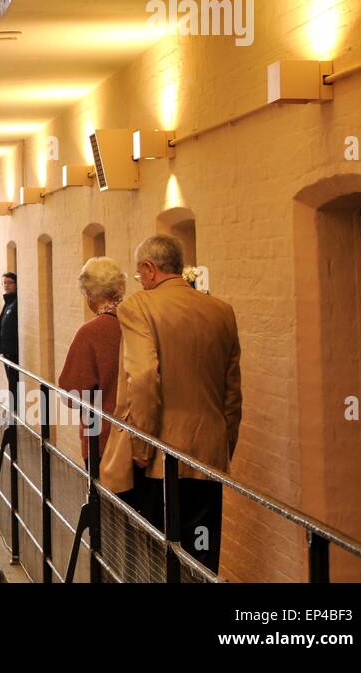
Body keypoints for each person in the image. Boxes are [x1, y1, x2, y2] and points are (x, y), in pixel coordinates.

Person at [101, 234, 242, 574]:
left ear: (149, 269)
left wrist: (142, 445)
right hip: (207, 457)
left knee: (154, 557)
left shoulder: (138, 307)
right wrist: (221, 450)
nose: (139, 281)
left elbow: (145, 378)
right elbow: (233, 395)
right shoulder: (222, 311)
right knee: (201, 553)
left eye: (138, 274)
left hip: (158, 458)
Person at [57, 258, 124, 463]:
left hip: (103, 439)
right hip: (140, 441)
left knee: (103, 494)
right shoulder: (139, 323)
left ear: (88, 294)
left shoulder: (91, 332)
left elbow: (71, 393)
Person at [0, 272, 20, 406]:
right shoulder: (9, 302)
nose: (6, 285)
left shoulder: (16, 303)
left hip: (13, 351)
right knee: (12, 383)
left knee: (14, 383)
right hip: (7, 350)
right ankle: (14, 412)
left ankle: (14, 414)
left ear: (16, 284)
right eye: (4, 283)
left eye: (9, 283)